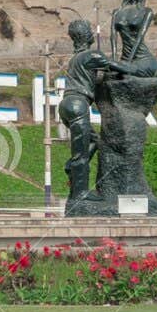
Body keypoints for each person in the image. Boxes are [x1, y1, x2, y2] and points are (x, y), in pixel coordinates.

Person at [60, 19, 104, 199]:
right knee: (80, 150)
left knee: (95, 141)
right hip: (78, 105)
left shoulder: (75, 59)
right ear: (86, 35)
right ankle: (81, 192)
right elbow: (116, 68)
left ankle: (71, 166)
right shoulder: (90, 55)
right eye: (90, 31)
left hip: (66, 105)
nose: (93, 33)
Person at [102, 0, 157, 78]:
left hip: (143, 59)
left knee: (124, 71)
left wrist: (128, 62)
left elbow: (139, 38)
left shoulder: (146, 12)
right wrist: (115, 59)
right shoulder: (117, 12)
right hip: (124, 60)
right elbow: (113, 37)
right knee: (109, 74)